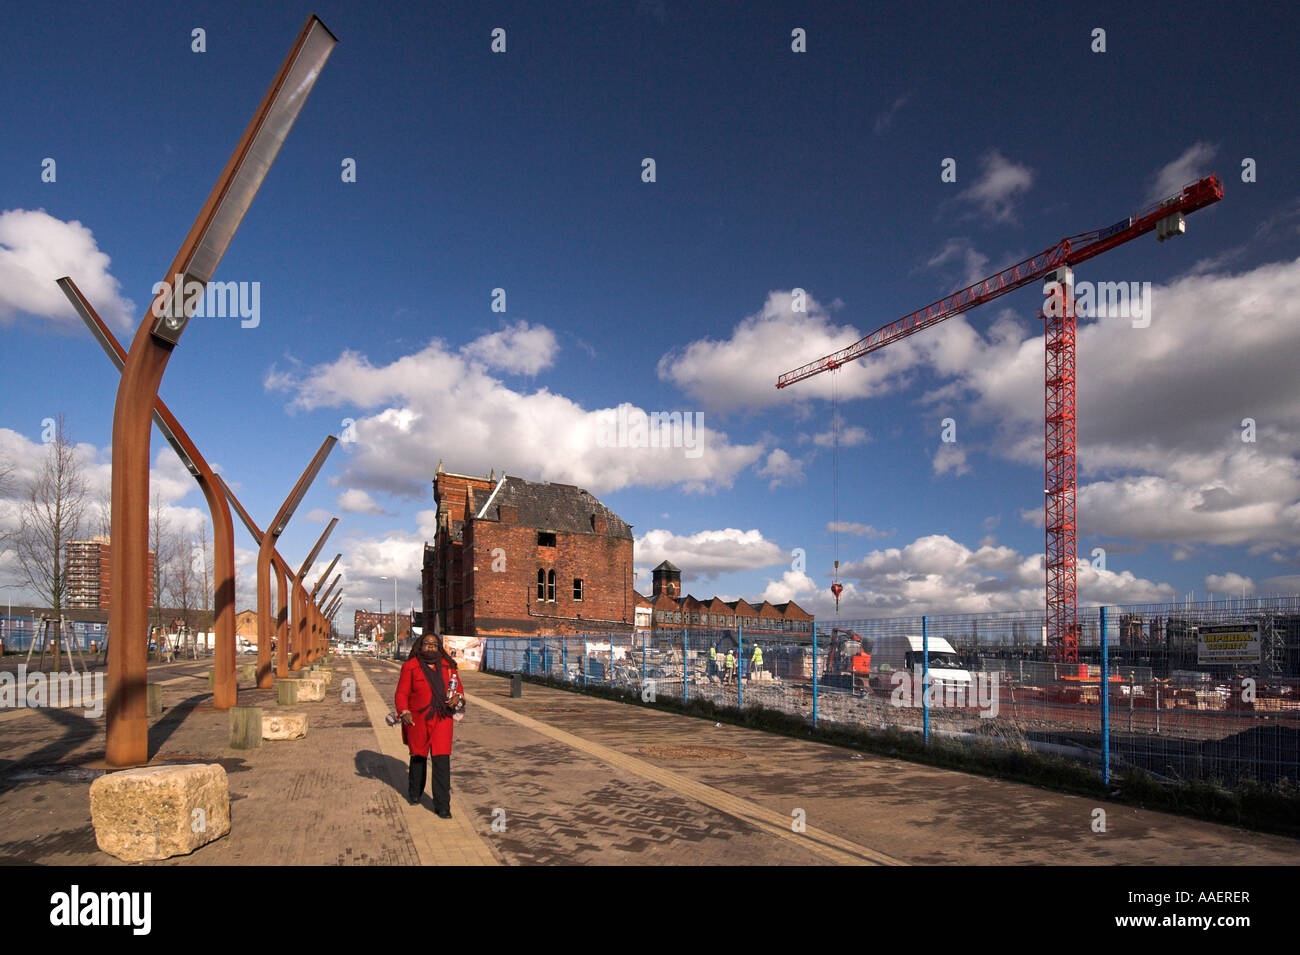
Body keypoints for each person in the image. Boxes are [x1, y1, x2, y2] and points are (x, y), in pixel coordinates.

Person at [395, 631, 464, 818]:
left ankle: (442, 806)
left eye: (434, 645)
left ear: (439, 647)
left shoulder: (448, 666)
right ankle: (415, 793)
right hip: (418, 720)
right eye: (427, 644)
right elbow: (401, 693)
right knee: (418, 758)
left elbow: (459, 691)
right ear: (420, 646)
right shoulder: (411, 666)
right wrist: (404, 711)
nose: (431, 647)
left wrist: (457, 698)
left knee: (442, 763)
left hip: (442, 720)